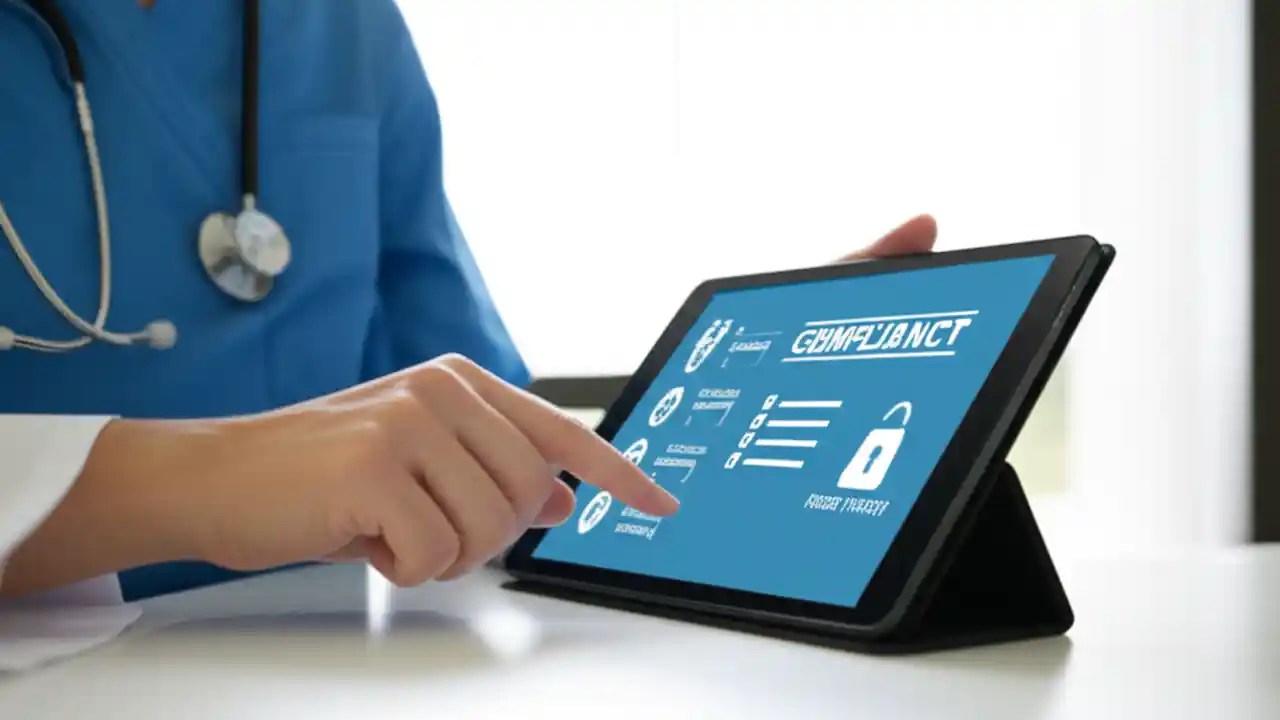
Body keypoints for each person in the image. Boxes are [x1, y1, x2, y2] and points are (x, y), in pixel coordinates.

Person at [0, 0, 937, 610]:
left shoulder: (340, 24)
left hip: (307, 675)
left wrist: (764, 382)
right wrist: (198, 482)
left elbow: (485, 441)